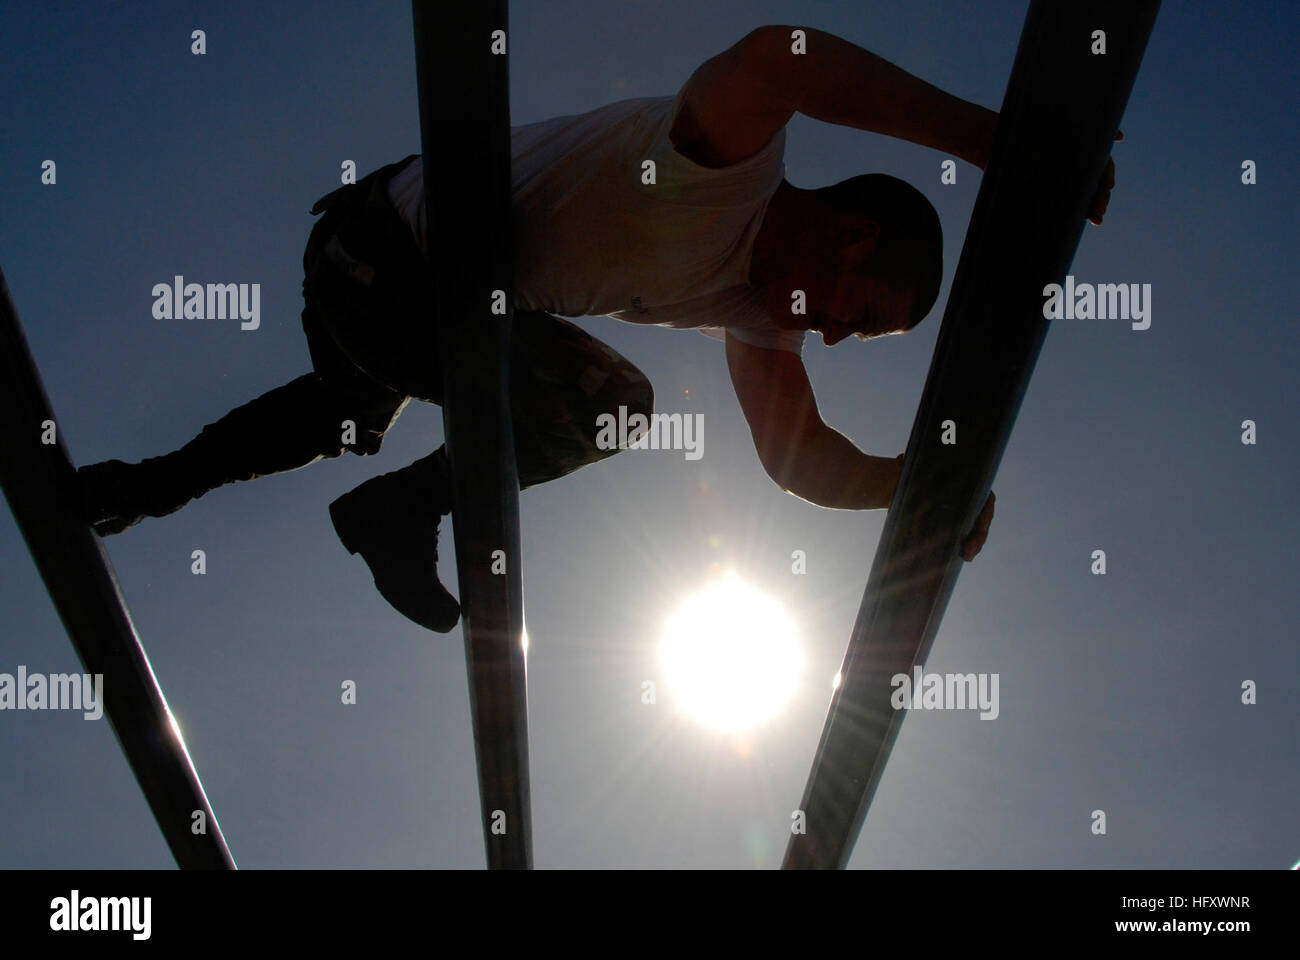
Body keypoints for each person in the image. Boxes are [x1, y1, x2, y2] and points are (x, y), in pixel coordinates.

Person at [78, 26, 1116, 632]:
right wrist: (1003, 144)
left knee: (345, 415)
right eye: (864, 320)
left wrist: (924, 490)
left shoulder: (753, 316)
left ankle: (133, 489)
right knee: (616, 405)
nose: (840, 342)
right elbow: (779, 56)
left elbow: (800, 462)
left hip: (389, 303)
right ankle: (393, 510)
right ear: (847, 237)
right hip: (392, 257)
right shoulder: (726, 164)